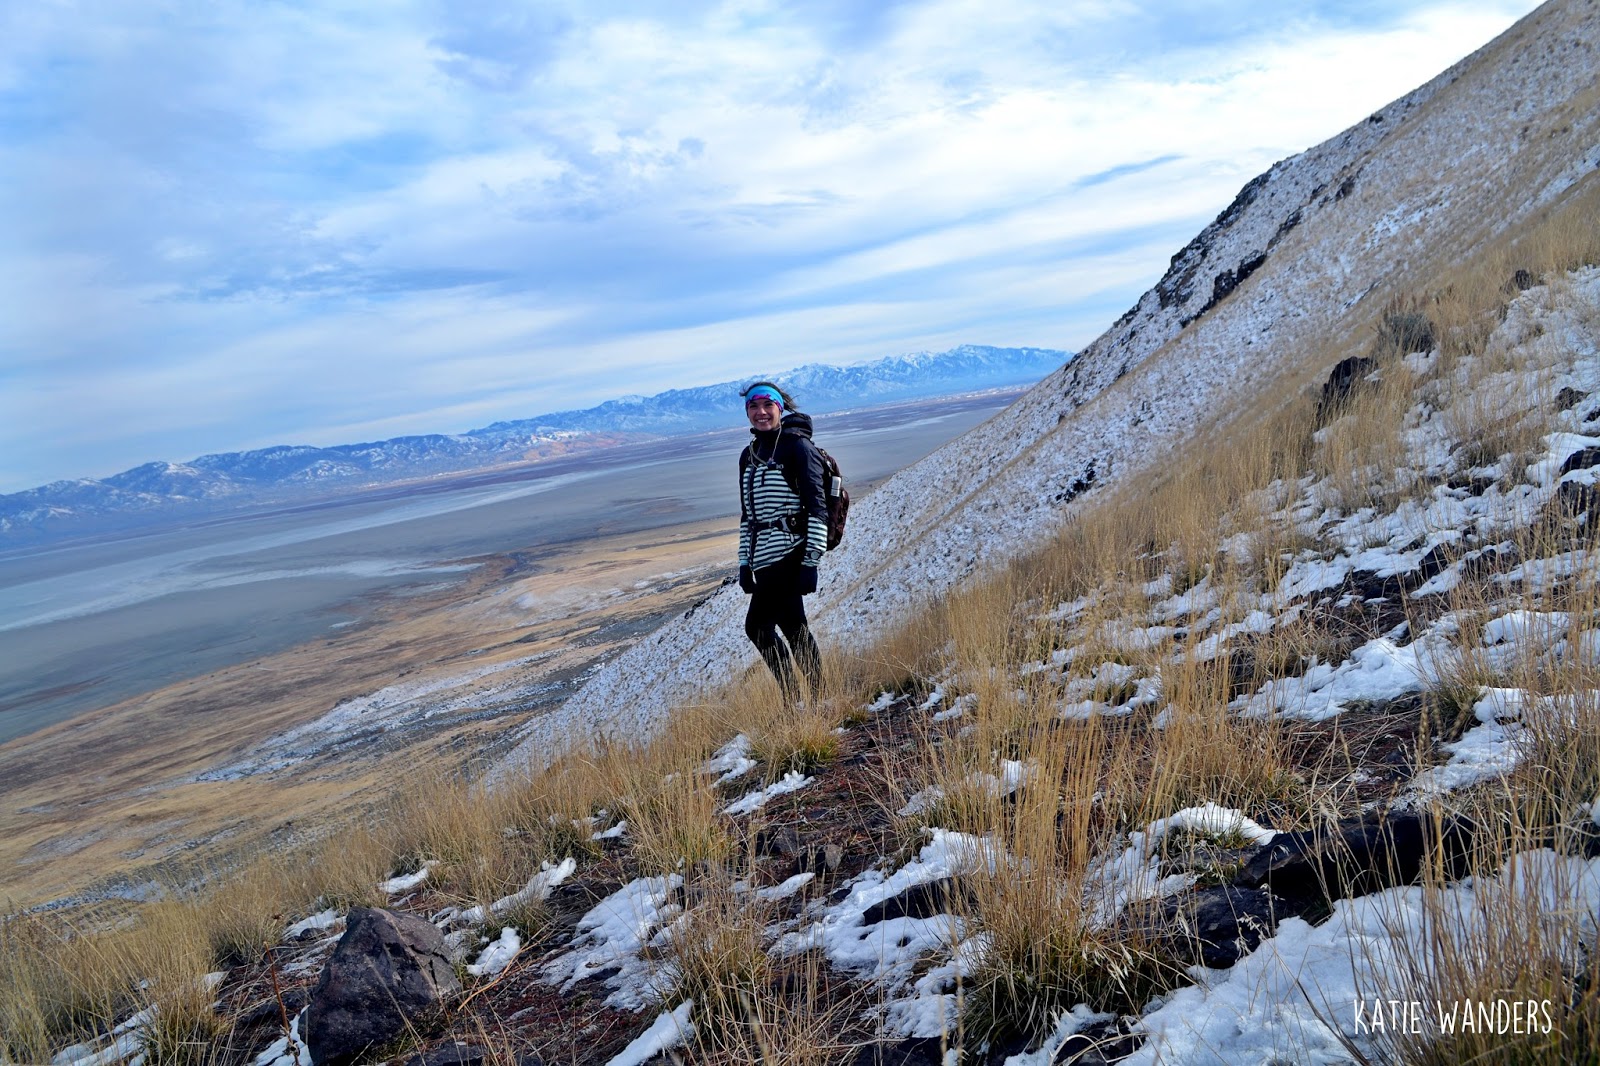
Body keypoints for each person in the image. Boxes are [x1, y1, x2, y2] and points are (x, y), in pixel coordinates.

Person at [737, 381, 828, 700]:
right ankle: (816, 701)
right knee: (793, 626)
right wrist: (744, 564)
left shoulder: (797, 447)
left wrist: (811, 561)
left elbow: (817, 507)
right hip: (763, 559)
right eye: (753, 406)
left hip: (791, 553)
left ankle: (797, 700)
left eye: (767, 405)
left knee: (757, 626)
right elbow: (748, 514)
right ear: (747, 411)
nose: (761, 413)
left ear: (780, 407)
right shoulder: (748, 456)